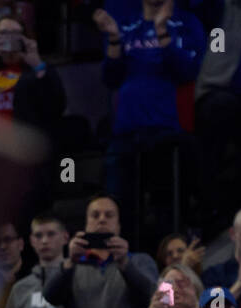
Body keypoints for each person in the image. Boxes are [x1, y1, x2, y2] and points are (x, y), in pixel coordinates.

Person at [92, 2, 204, 237]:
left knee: (167, 210)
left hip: (166, 129)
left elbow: (187, 72)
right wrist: (113, 39)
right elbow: (110, 78)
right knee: (118, 205)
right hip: (125, 129)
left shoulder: (188, 23)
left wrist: (162, 30)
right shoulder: (124, 22)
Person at [43, 195, 159, 308]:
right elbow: (50, 296)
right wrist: (70, 262)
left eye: (109, 215)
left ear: (119, 226)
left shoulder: (140, 261)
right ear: (86, 224)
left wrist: (124, 264)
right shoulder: (72, 266)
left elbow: (154, 300)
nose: (102, 219)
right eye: (95, 215)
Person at [0, 15, 64, 133]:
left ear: (24, 38)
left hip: (22, 139)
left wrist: (37, 64)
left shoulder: (37, 70)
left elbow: (57, 106)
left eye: (15, 33)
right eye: (3, 33)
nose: (10, 38)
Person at [3, 216, 67, 308]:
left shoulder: (77, 281)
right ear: (31, 241)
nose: (44, 241)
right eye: (38, 235)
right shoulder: (20, 289)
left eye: (51, 234)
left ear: (65, 237)